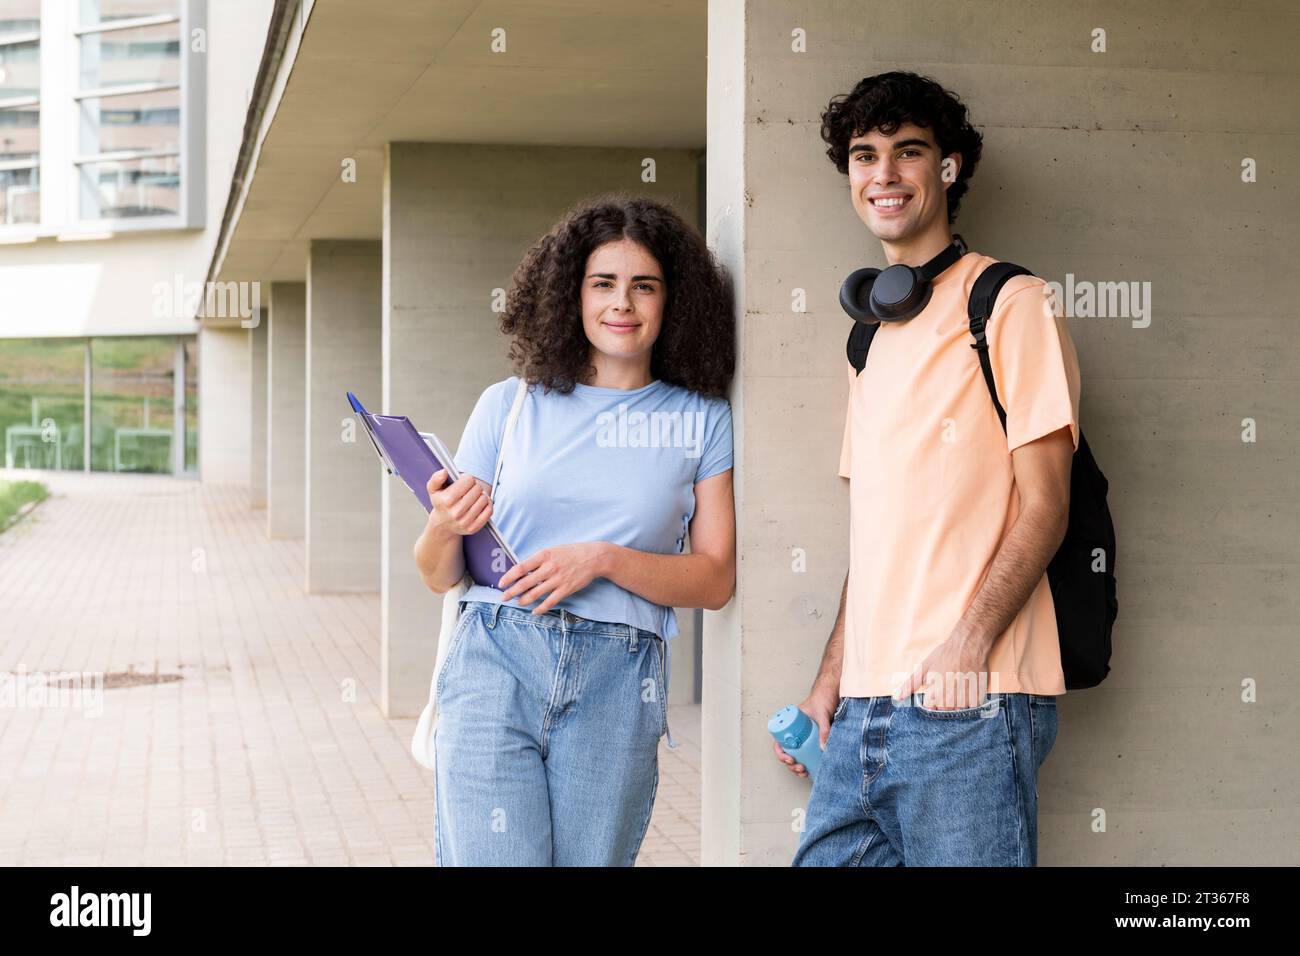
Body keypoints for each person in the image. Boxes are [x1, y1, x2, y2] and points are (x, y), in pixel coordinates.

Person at [781, 71, 1080, 866]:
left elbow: (1048, 502)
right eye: (864, 155)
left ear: (947, 169)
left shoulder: (1007, 304)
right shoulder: (866, 339)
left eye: (908, 152)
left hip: (968, 702)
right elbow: (877, 536)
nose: (884, 174)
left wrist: (968, 644)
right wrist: (828, 685)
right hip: (863, 714)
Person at [413, 194, 736, 866]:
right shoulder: (509, 405)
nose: (623, 303)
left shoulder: (701, 419)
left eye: (643, 286)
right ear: (572, 294)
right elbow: (439, 571)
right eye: (603, 284)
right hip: (497, 655)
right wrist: (445, 525)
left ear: (672, 301)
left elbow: (714, 578)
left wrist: (603, 560)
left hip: (620, 676)